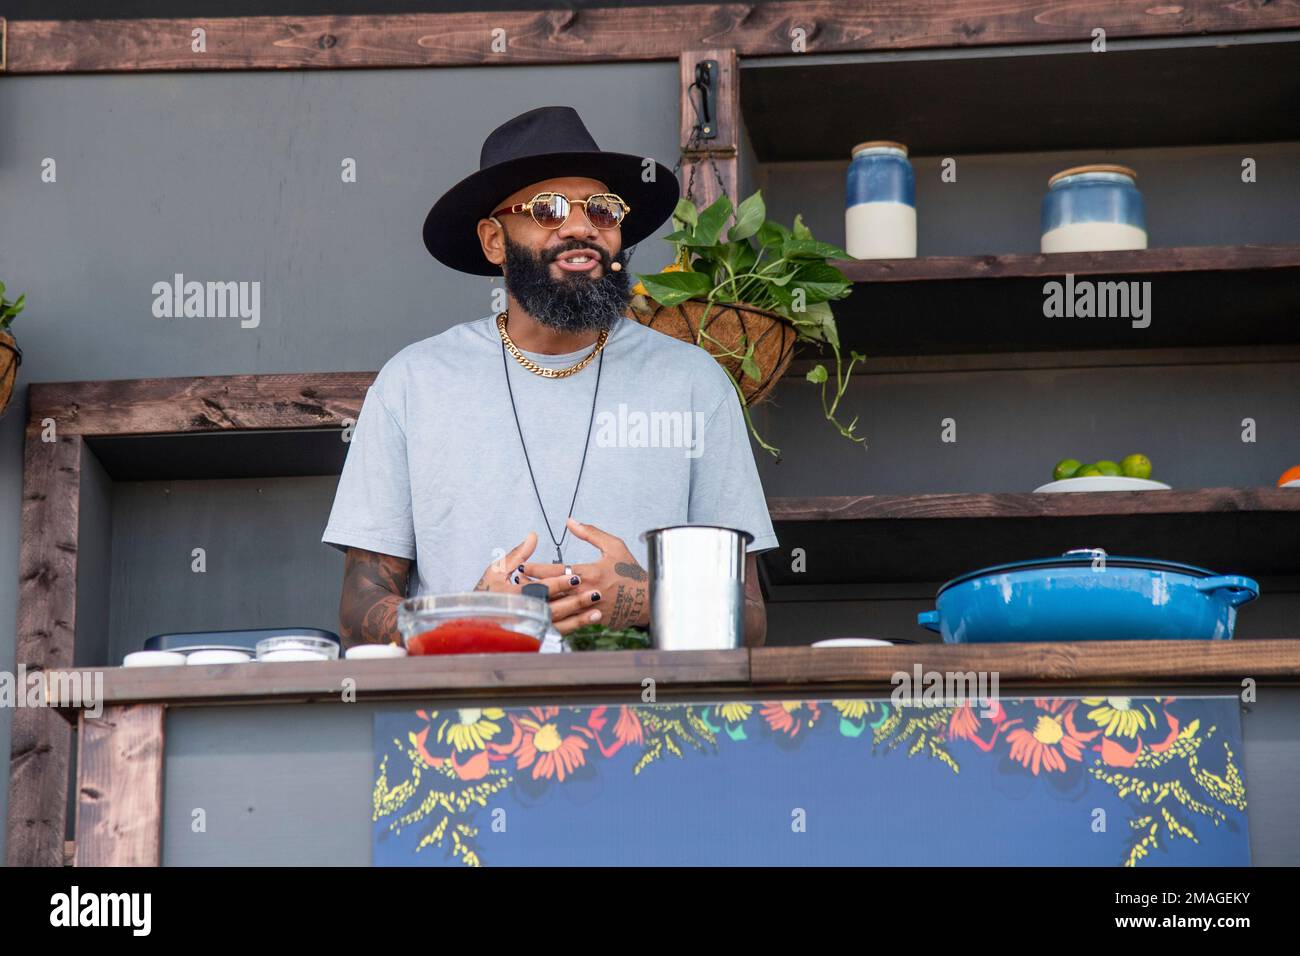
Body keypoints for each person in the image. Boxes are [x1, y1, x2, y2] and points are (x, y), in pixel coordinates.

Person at [321, 105, 778, 648]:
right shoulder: (412, 385)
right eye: (548, 209)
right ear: (494, 241)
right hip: (467, 719)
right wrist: (471, 616)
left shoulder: (695, 383)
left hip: (648, 718)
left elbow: (750, 620)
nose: (582, 227)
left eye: (603, 210)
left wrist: (649, 598)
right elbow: (357, 615)